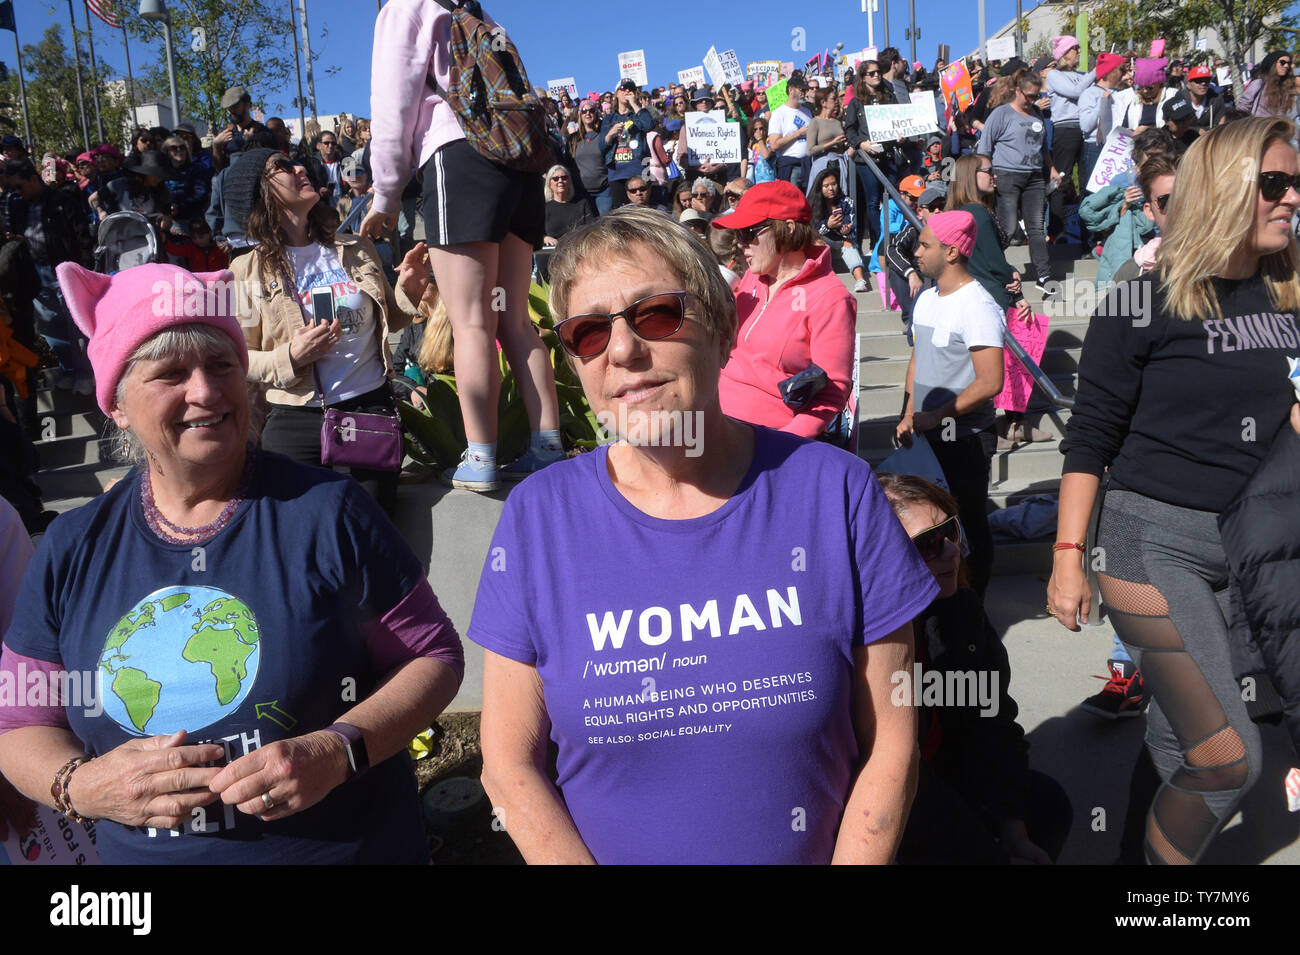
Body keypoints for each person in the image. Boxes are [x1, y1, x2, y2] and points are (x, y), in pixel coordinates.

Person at [473, 205, 938, 864]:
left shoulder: (835, 491)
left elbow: (892, 744)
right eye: (588, 333)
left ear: (723, 330)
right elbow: (507, 768)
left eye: (657, 313)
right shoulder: (535, 519)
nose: (626, 351)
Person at [0, 260, 463, 864]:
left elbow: (432, 657)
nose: (206, 391)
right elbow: (18, 722)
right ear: (115, 403)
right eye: (170, 373)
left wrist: (339, 749)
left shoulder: (327, 512)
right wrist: (79, 786)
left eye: (222, 365)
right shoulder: (70, 547)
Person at [1048, 117, 1300, 864]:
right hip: (1150, 543)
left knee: (1175, 736)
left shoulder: (1287, 289)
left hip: (1250, 543)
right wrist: (1067, 554)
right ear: (1225, 188)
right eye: (1275, 183)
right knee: (1228, 755)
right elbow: (1090, 434)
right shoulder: (1142, 299)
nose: (1292, 198)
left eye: (1298, 183)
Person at [365, 0, 564, 491]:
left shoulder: (404, 8)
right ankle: (547, 446)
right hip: (518, 163)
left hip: (458, 157)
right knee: (515, 320)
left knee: (470, 319)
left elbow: (393, 104)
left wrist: (386, 193)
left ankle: (481, 458)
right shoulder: (477, 11)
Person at [879, 473, 1073, 865]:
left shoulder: (960, 611)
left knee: (1046, 805)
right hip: (896, 797)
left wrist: (1012, 830)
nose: (951, 552)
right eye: (929, 544)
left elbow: (993, 723)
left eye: (951, 532)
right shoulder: (868, 641)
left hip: (950, 772)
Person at [230, 148, 427, 516]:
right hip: (295, 417)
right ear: (261, 193)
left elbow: (388, 320)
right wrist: (290, 357)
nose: (300, 168)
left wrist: (410, 291)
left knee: (369, 531)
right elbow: (236, 358)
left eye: (296, 161)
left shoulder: (356, 248)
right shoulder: (246, 270)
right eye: (283, 167)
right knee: (296, 536)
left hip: (368, 408)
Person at [895, 210, 1005, 598]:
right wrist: (908, 413)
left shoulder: (978, 305)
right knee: (929, 524)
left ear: (953, 252)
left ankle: (972, 610)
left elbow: (992, 380)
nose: (917, 253)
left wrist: (934, 416)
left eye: (925, 245)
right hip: (924, 434)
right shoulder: (926, 297)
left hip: (966, 439)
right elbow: (917, 358)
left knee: (967, 526)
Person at [706, 180, 856, 438]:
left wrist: (784, 443)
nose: (741, 244)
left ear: (786, 229)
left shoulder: (830, 298)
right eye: (738, 235)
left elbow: (833, 390)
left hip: (765, 436)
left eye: (748, 233)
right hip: (713, 418)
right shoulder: (754, 277)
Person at [2, 159, 94, 395]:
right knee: (51, 327)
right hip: (35, 273)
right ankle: (69, 370)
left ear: (34, 179)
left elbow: (82, 236)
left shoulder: (62, 200)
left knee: (77, 327)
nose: (17, 192)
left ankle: (85, 373)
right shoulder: (17, 205)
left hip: (65, 271)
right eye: (13, 188)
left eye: (20, 186)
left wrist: (83, 270)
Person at [977, 69, 1055, 294]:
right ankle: (993, 268)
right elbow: (985, 146)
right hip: (1007, 175)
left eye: (1035, 95)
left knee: (1037, 228)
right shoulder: (1001, 114)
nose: (1032, 100)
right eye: (1029, 95)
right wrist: (986, 172)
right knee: (1008, 227)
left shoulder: (1037, 114)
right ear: (1017, 90)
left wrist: (1052, 170)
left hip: (1035, 177)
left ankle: (1044, 274)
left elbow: (1043, 147)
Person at [1042, 36, 1097, 240]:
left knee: (1086, 182)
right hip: (1065, 129)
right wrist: (1094, 73)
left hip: (1085, 130)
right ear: (1064, 54)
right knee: (1061, 182)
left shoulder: (1082, 75)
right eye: (1075, 49)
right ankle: (1057, 232)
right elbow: (1075, 91)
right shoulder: (1054, 75)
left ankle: (1087, 236)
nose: (1079, 53)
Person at [884, 182, 946, 345]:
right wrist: (910, 273)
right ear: (920, 212)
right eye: (932, 207)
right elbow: (892, 250)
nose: (938, 211)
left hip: (940, 282)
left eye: (941, 206)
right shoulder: (913, 230)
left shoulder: (951, 230)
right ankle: (910, 322)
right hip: (918, 281)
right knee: (896, 270)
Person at [809, 166, 869, 292]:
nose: (831, 188)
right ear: (820, 188)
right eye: (826, 186)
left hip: (841, 241)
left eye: (834, 184)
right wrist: (828, 225)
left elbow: (851, 223)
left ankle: (860, 280)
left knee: (849, 243)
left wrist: (845, 229)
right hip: (822, 241)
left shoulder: (846, 202)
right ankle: (821, 279)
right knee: (817, 241)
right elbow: (811, 230)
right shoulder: (813, 205)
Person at [767, 76, 814, 188]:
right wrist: (798, 133)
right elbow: (774, 145)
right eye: (801, 89)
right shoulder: (779, 113)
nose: (804, 93)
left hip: (809, 165)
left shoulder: (807, 111)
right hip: (791, 167)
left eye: (805, 90)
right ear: (790, 90)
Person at [160, 135, 212, 230]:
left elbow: (200, 193)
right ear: (167, 152)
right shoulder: (162, 172)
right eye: (174, 148)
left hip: (190, 218)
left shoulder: (196, 169)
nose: (179, 150)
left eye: (182, 147)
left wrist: (179, 206)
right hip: (165, 218)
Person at [212, 85, 267, 171]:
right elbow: (220, 170)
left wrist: (254, 143)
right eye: (228, 109)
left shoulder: (264, 133)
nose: (231, 111)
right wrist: (216, 146)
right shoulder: (226, 135)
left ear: (247, 105)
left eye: (235, 107)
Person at [107, 151, 174, 219]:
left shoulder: (162, 190)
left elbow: (166, 212)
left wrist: (166, 218)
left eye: (161, 175)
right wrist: (101, 211)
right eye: (155, 174)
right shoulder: (118, 184)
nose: (159, 178)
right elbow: (96, 197)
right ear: (143, 173)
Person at [542, 164, 594, 247]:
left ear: (569, 182)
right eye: (555, 179)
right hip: (552, 251)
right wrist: (544, 238)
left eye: (564, 177)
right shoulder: (544, 207)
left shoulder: (582, 204)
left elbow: (591, 229)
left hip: (577, 248)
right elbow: (535, 232)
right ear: (549, 184)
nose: (560, 181)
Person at [1241, 51, 1293, 116]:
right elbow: (1242, 107)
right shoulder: (1259, 84)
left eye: (1289, 63)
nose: (1286, 66)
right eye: (1282, 62)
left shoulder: (1285, 88)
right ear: (1272, 64)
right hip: (1257, 125)